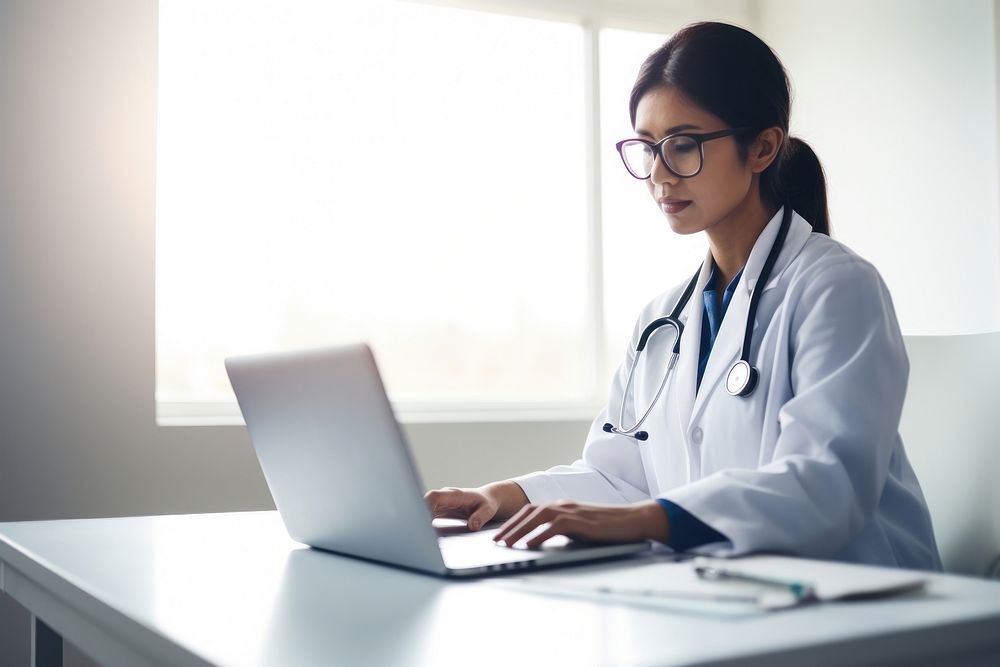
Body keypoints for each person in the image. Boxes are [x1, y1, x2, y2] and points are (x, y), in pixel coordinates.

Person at [424, 21, 942, 570]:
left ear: (763, 147)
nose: (660, 174)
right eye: (648, 148)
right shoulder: (662, 318)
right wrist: (500, 497)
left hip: (869, 597)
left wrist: (653, 518)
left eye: (684, 145)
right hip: (731, 589)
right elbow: (619, 475)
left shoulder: (837, 288)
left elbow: (826, 484)